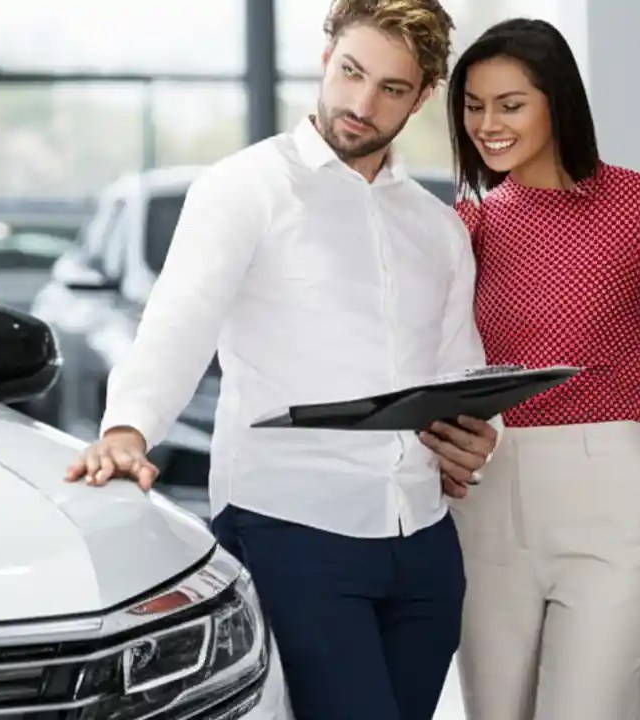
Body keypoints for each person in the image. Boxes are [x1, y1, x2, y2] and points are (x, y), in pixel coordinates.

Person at [63, 1, 498, 717]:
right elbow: (178, 322)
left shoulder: (438, 228)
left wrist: (481, 434)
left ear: (421, 99)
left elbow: (460, 369)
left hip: (423, 544)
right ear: (326, 60)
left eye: (392, 88)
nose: (361, 103)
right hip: (293, 531)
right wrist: (127, 429)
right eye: (352, 72)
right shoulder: (244, 188)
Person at [441, 17, 640, 720]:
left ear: (558, 101)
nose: (488, 124)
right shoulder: (470, 226)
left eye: (510, 103)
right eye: (474, 104)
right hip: (488, 501)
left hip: (610, 504)